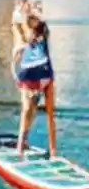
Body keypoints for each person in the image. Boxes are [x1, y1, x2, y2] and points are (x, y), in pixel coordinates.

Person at [14, 15, 56, 160]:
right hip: (34, 78)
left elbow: (42, 30)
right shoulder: (26, 43)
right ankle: (21, 145)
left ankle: (52, 150)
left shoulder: (40, 40)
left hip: (43, 78)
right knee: (28, 110)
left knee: (47, 113)